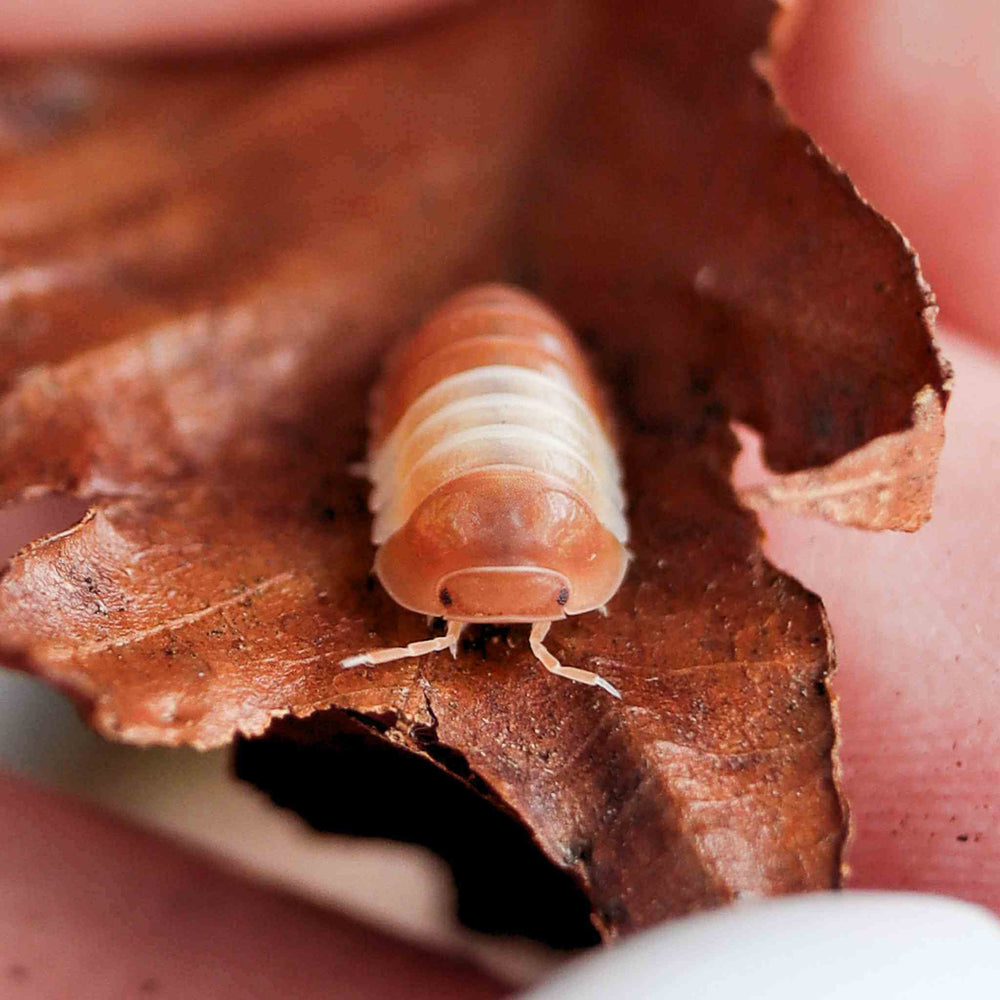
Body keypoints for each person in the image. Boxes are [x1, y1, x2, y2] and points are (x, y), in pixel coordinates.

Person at [1, 1, 997, 996]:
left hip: (505, 398)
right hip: (475, 395)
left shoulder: (460, 535)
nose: (497, 614)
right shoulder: (481, 529)